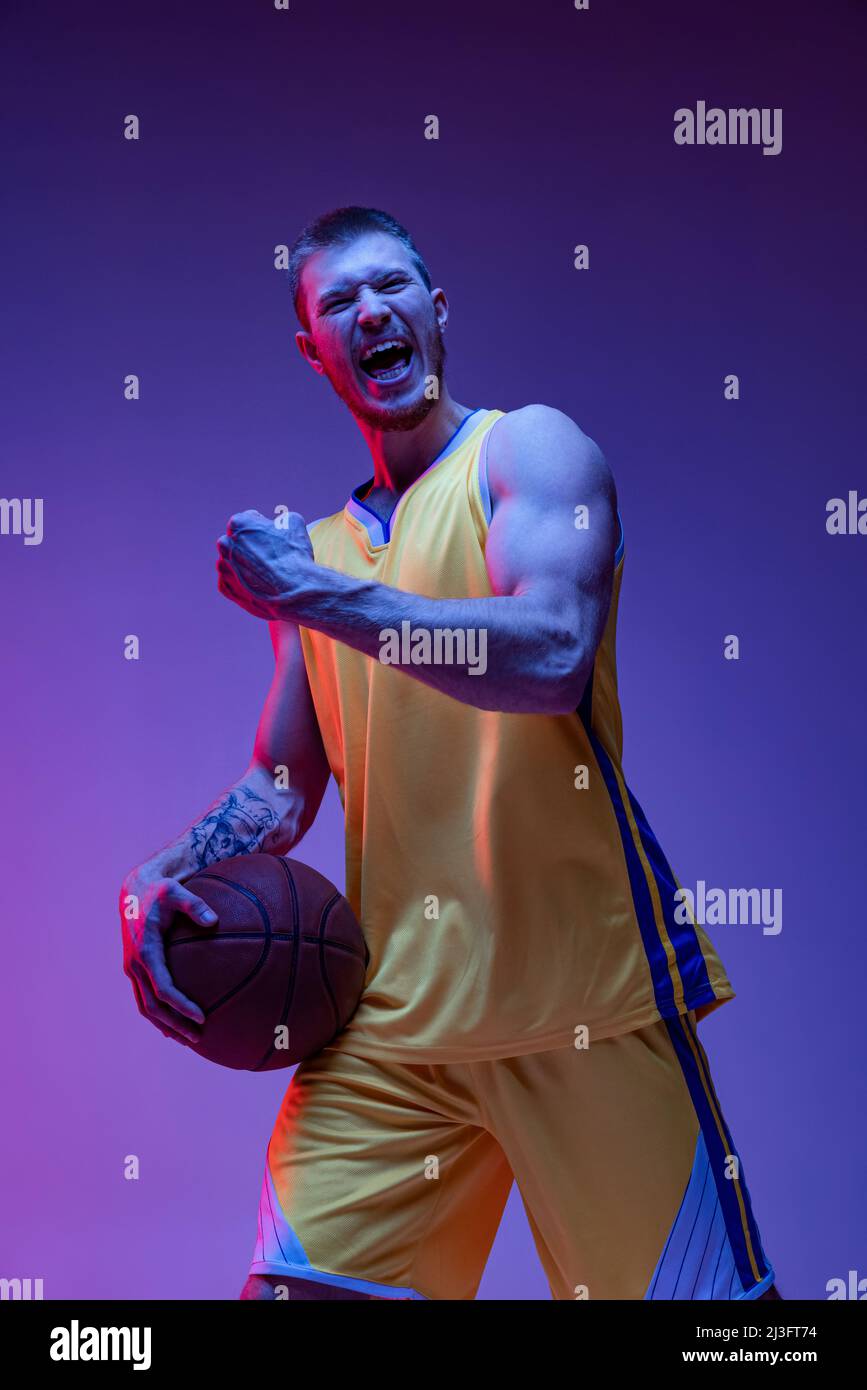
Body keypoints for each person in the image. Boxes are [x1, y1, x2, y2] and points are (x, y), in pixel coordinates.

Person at [121, 206, 780, 1301]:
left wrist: (315, 594)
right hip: (393, 1030)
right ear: (314, 350)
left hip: (588, 1002)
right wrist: (158, 878)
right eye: (339, 302)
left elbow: (554, 652)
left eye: (393, 286)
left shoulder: (528, 450)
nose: (370, 310)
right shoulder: (320, 559)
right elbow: (285, 787)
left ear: (437, 309)